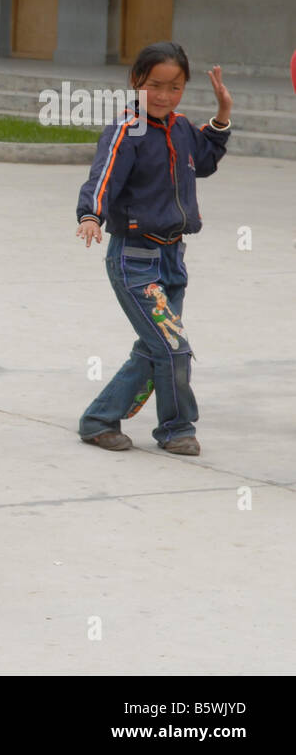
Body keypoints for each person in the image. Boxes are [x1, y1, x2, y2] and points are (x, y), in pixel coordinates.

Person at [75, 43, 232, 456]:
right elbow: (102, 176)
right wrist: (90, 214)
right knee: (173, 345)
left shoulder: (181, 128)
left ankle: (99, 420)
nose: (164, 96)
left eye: (175, 87)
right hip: (135, 259)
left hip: (172, 260)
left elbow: (207, 159)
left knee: (155, 347)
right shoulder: (127, 130)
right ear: (135, 82)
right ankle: (178, 428)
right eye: (155, 86)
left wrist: (222, 116)